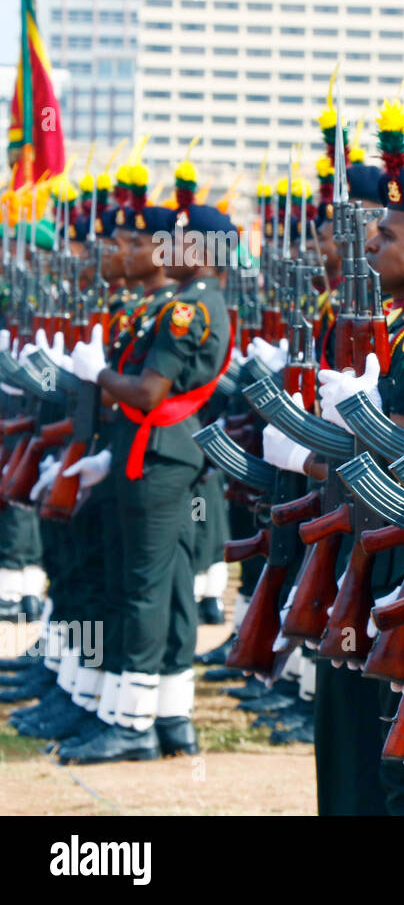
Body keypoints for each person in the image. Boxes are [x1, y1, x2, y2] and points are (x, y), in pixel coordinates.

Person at [62, 200, 232, 764]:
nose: (167, 251)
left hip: (162, 454)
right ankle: (157, 716)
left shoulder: (191, 307)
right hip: (153, 452)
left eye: (179, 241)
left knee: (144, 588)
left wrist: (99, 373)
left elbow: (147, 394)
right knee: (155, 583)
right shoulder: (190, 302)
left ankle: (132, 723)